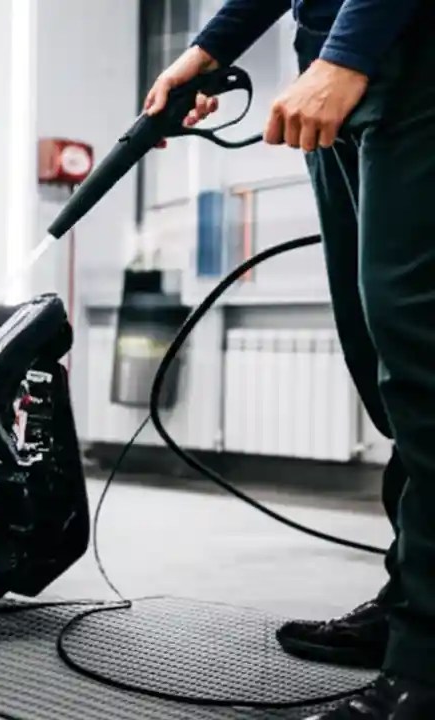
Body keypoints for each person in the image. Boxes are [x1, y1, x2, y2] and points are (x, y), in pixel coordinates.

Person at [143, 1, 435, 717]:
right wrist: (207, 52)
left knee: (423, 363)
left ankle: (425, 661)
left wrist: (347, 55)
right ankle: (409, 601)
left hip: (410, 58)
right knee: (380, 365)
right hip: (344, 76)